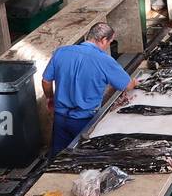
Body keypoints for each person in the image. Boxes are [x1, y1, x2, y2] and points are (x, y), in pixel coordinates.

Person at [42, 21, 138, 157]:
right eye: (110, 42)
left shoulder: (61, 52)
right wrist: (134, 82)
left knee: (58, 157)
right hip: (84, 121)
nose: (108, 45)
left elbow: (46, 81)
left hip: (60, 118)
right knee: (85, 157)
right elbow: (126, 85)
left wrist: (50, 98)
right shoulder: (104, 60)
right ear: (104, 40)